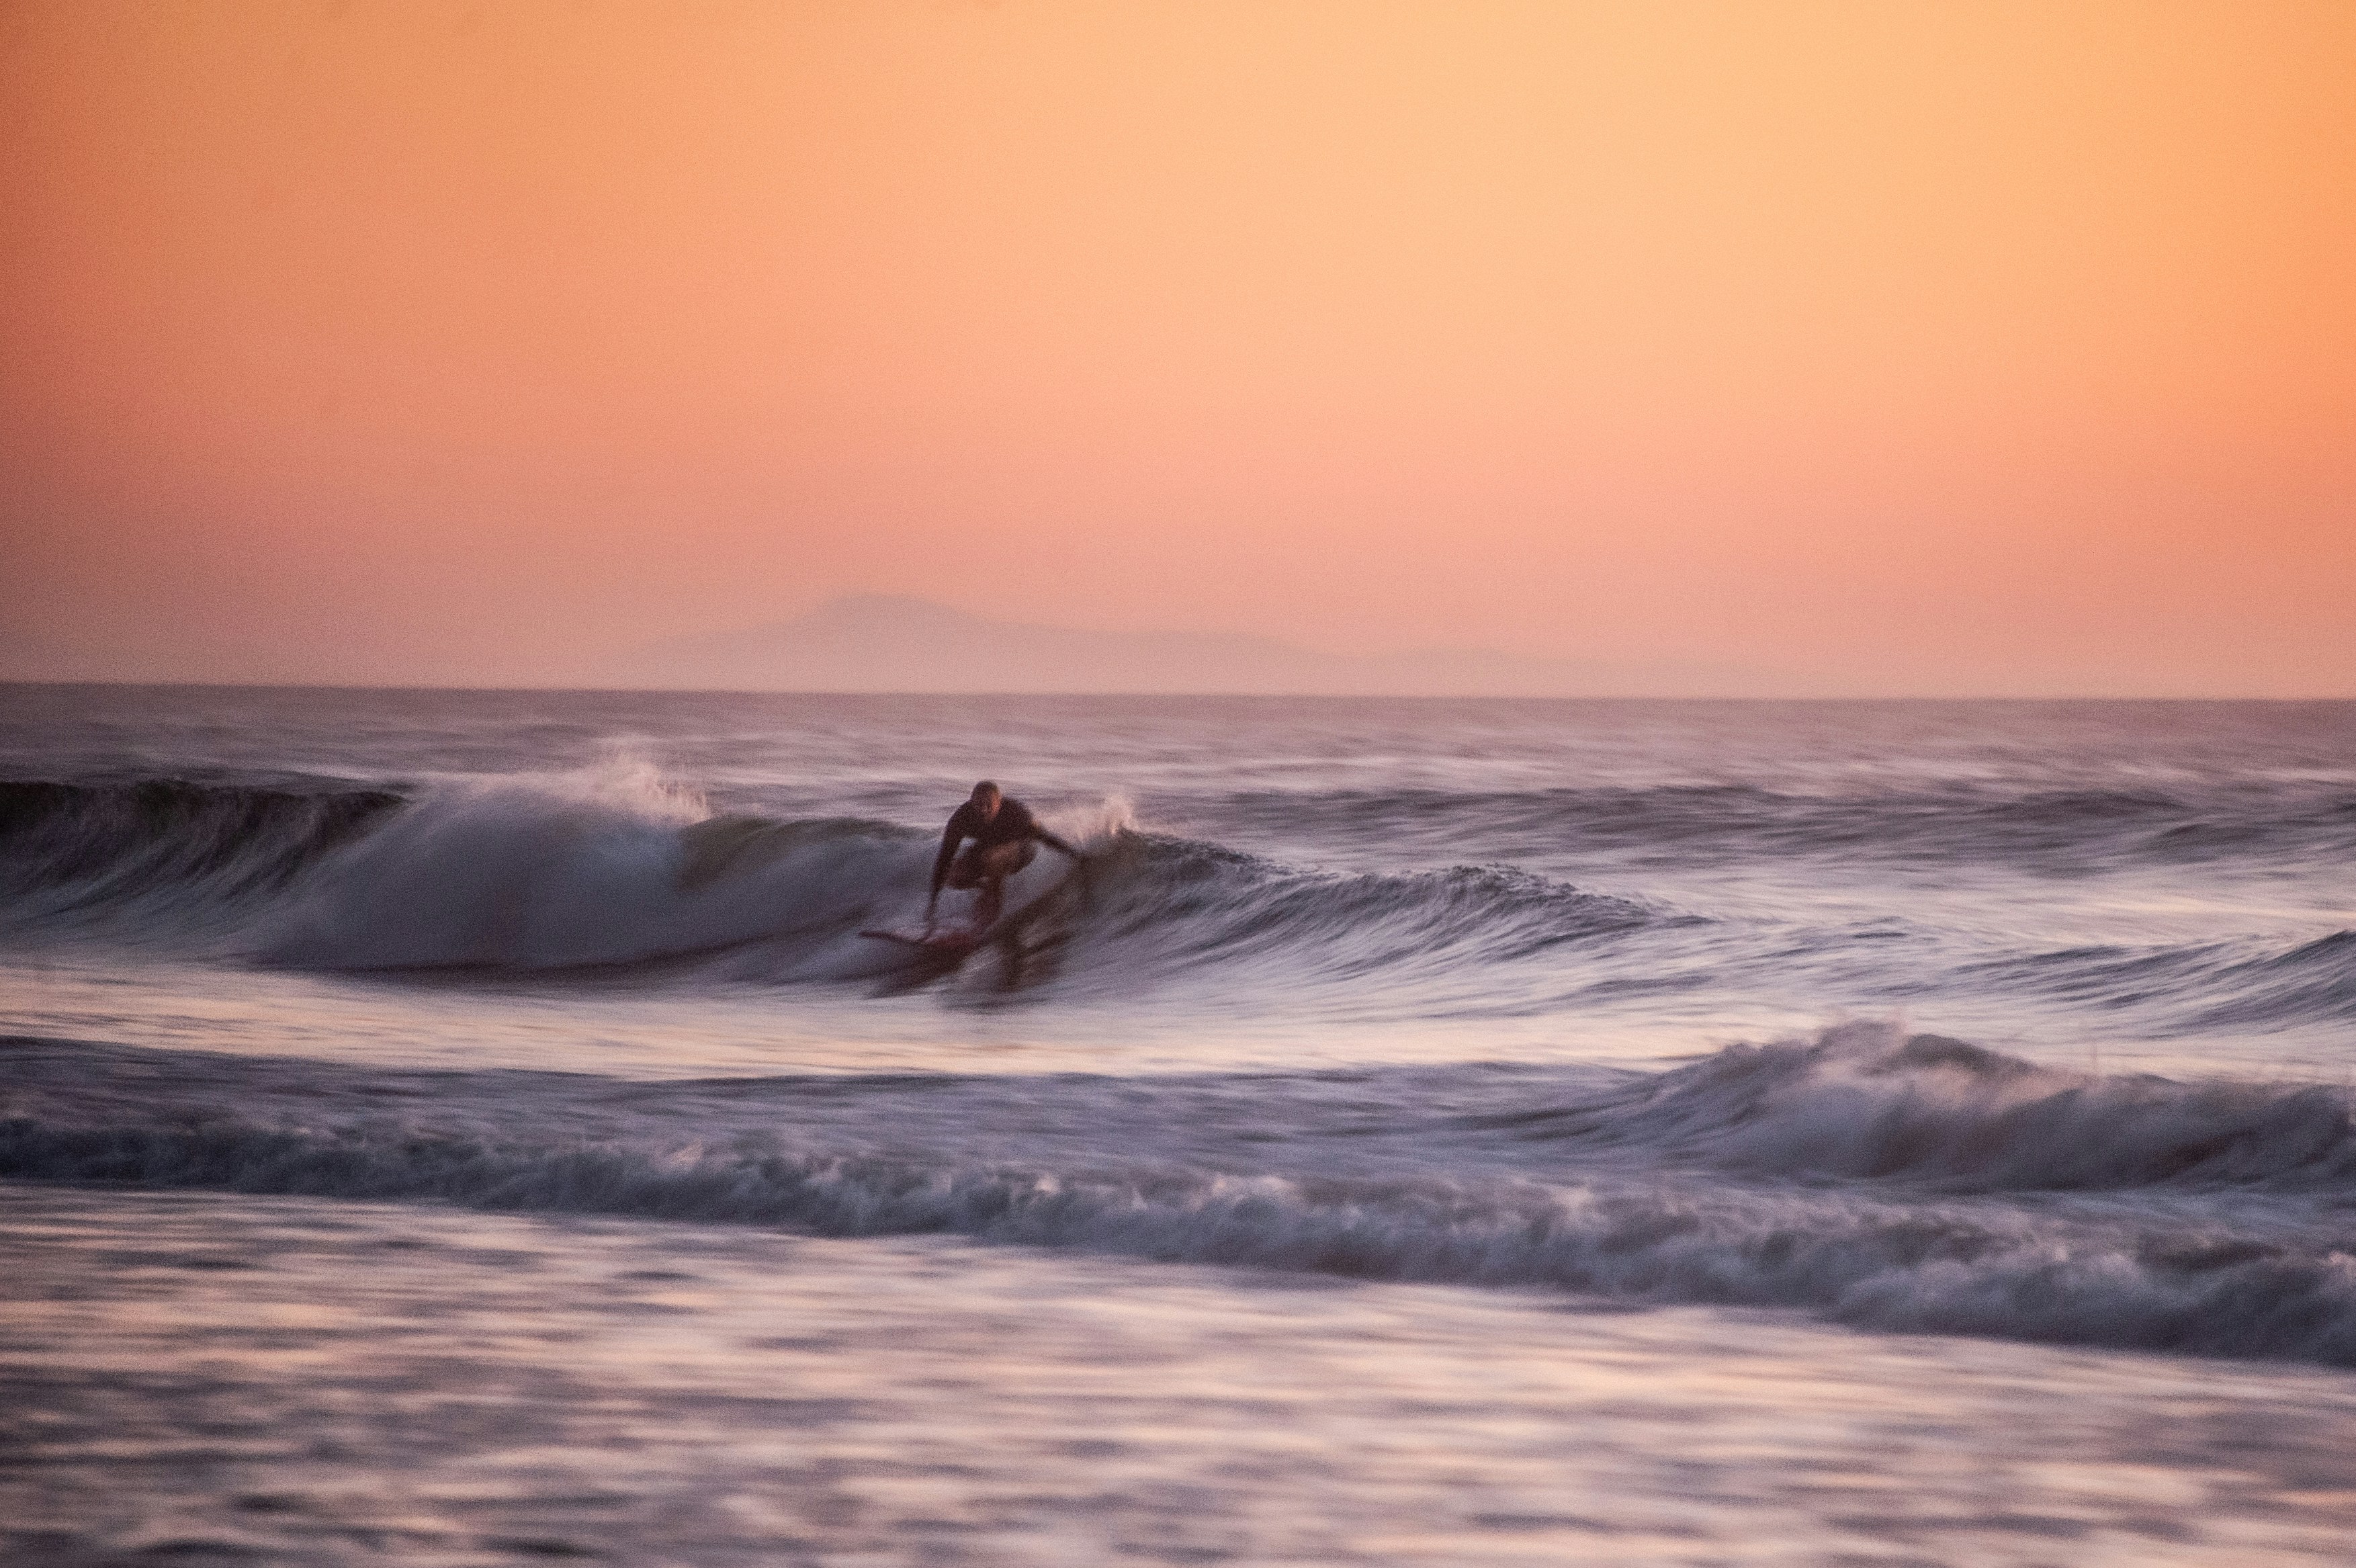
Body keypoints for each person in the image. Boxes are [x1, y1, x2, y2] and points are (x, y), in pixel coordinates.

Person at [926, 781, 1084, 932]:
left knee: (993, 857)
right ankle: (986, 890)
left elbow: (1045, 837)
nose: (983, 810)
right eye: (978, 805)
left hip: (1022, 851)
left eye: (989, 805)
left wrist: (1075, 856)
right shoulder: (962, 818)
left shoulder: (1015, 812)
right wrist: (931, 909)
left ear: (999, 803)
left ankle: (993, 912)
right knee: (951, 874)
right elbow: (944, 858)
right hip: (988, 850)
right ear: (971, 802)